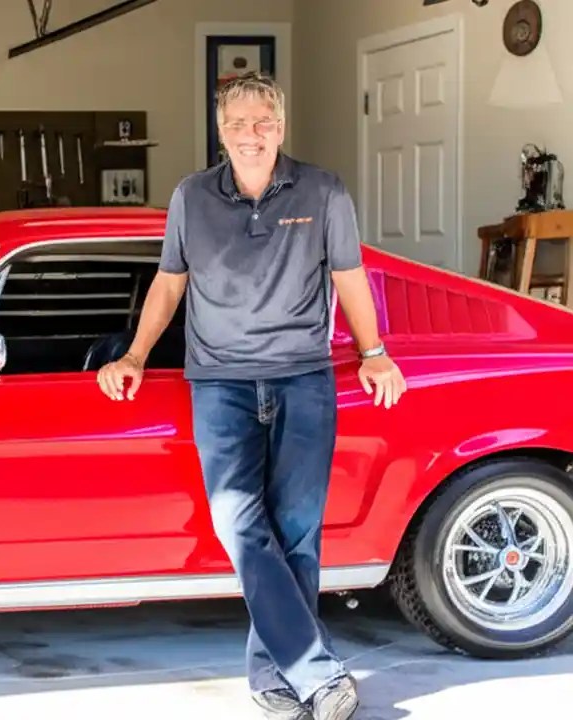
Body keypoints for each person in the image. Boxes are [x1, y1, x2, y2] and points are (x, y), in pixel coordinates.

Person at [96, 72, 406, 720]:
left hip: (303, 377)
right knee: (238, 523)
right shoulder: (191, 197)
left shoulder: (323, 192)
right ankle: (319, 673)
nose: (251, 134)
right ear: (221, 131)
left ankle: (275, 680)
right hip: (220, 383)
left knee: (296, 533)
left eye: (263, 121)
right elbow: (169, 284)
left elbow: (349, 276)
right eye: (238, 122)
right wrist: (133, 356)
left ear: (281, 126)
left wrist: (373, 354)